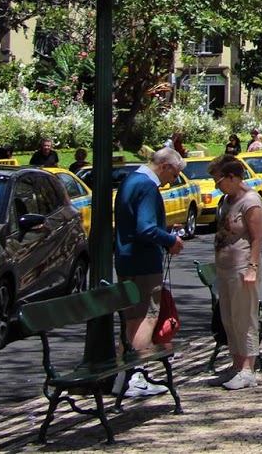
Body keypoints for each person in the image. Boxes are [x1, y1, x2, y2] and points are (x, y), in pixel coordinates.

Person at [114, 148, 186, 398]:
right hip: (143, 261)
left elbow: (135, 223)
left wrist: (162, 228)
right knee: (146, 317)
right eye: (175, 174)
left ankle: (124, 377)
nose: (172, 181)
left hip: (126, 258)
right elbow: (145, 229)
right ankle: (136, 376)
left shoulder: (130, 180)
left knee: (132, 319)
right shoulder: (147, 186)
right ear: (165, 166)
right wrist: (169, 240)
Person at [209, 154, 262, 389]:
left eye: (218, 181)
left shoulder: (250, 202)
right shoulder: (226, 200)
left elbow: (257, 237)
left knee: (244, 318)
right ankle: (236, 364)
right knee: (229, 319)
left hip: (243, 267)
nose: (217, 186)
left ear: (232, 177)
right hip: (225, 268)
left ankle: (247, 369)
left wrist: (252, 267)